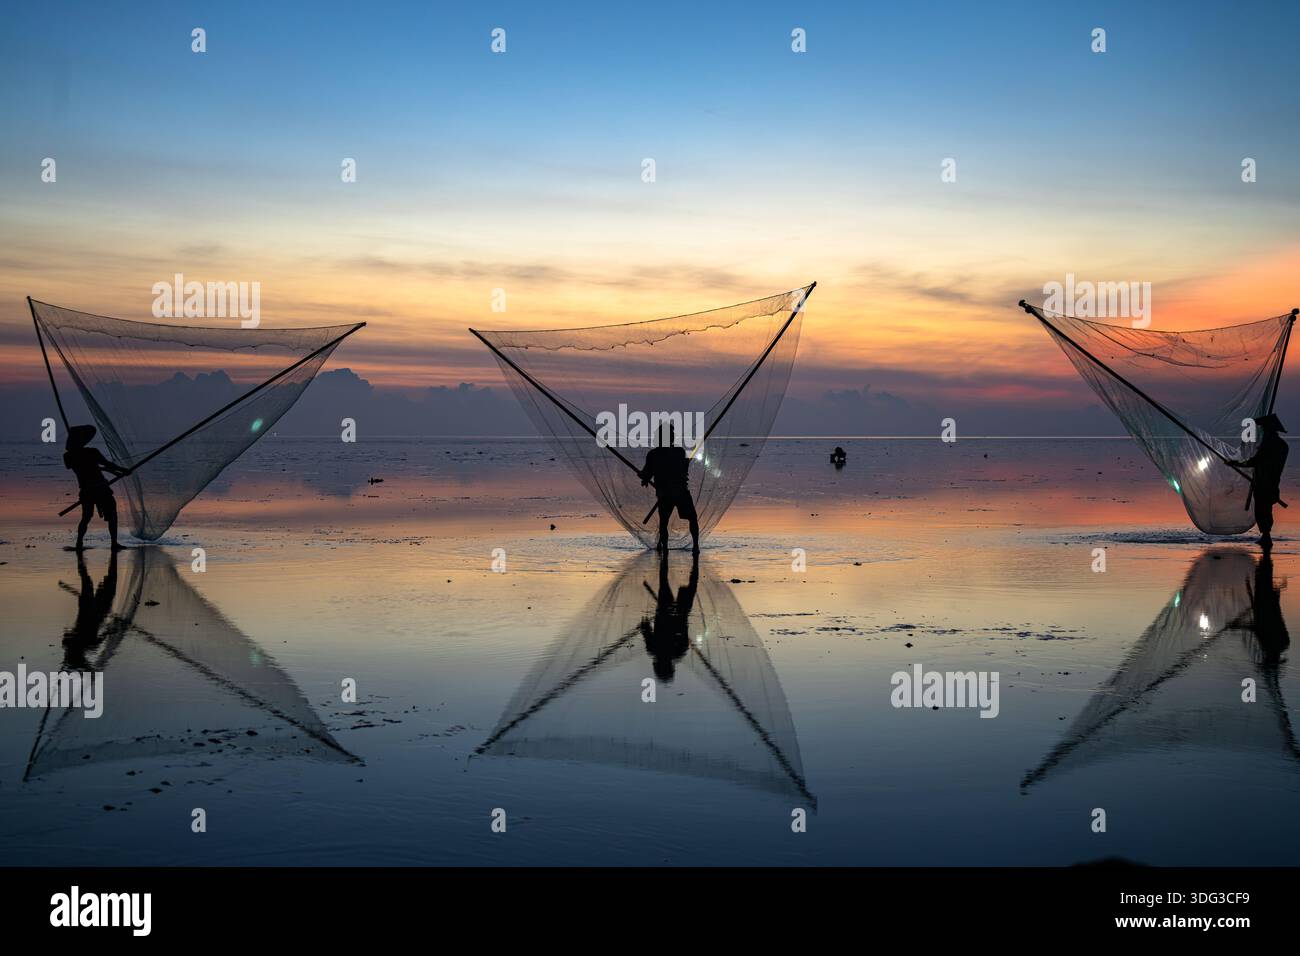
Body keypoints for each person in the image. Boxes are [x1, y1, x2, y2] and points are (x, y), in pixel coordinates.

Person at [63, 424, 129, 552]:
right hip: (96, 489)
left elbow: (104, 465)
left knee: (92, 517)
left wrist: (120, 471)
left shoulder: (71, 456)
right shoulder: (82, 453)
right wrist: (121, 470)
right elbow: (105, 464)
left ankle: (81, 543)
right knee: (94, 517)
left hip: (92, 489)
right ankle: (109, 543)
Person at [638, 551, 700, 682]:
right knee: (668, 582)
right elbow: (646, 629)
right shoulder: (660, 650)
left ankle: (667, 557)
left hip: (673, 612)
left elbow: (646, 629)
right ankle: (689, 558)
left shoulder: (671, 651)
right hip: (674, 612)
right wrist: (645, 626)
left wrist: (645, 626)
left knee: (669, 583)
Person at [639, 423, 700, 554]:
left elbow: (647, 474)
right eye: (671, 435)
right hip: (676, 492)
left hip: (670, 492)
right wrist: (644, 477)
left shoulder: (656, 454)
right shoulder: (676, 452)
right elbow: (648, 473)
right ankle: (693, 547)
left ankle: (668, 548)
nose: (673, 437)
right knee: (684, 519)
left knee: (665, 522)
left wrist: (644, 477)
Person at [1234, 414, 1289, 552]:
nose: (1262, 431)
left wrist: (1237, 463)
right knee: (1266, 510)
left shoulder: (1269, 444)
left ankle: (1266, 537)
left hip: (1263, 484)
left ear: (1269, 429)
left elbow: (1256, 461)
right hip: (1272, 484)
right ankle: (1266, 536)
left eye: (1264, 428)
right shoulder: (1282, 445)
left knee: (1261, 510)